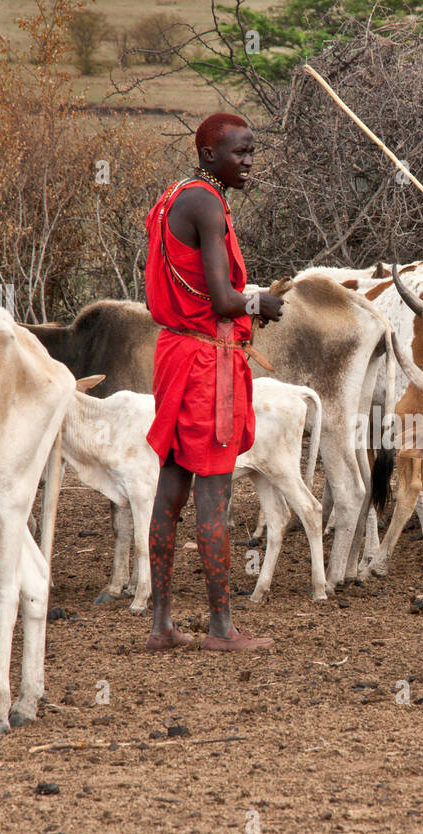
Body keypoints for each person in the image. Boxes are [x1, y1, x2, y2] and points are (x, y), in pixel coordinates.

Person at [142, 113, 283, 653]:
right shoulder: (204, 201)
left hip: (177, 353)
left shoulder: (176, 195)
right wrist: (261, 302)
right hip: (206, 365)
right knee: (213, 497)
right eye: (240, 153)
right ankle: (221, 629)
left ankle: (161, 626)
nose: (249, 163)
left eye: (252, 152)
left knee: (169, 490)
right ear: (208, 156)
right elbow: (224, 300)